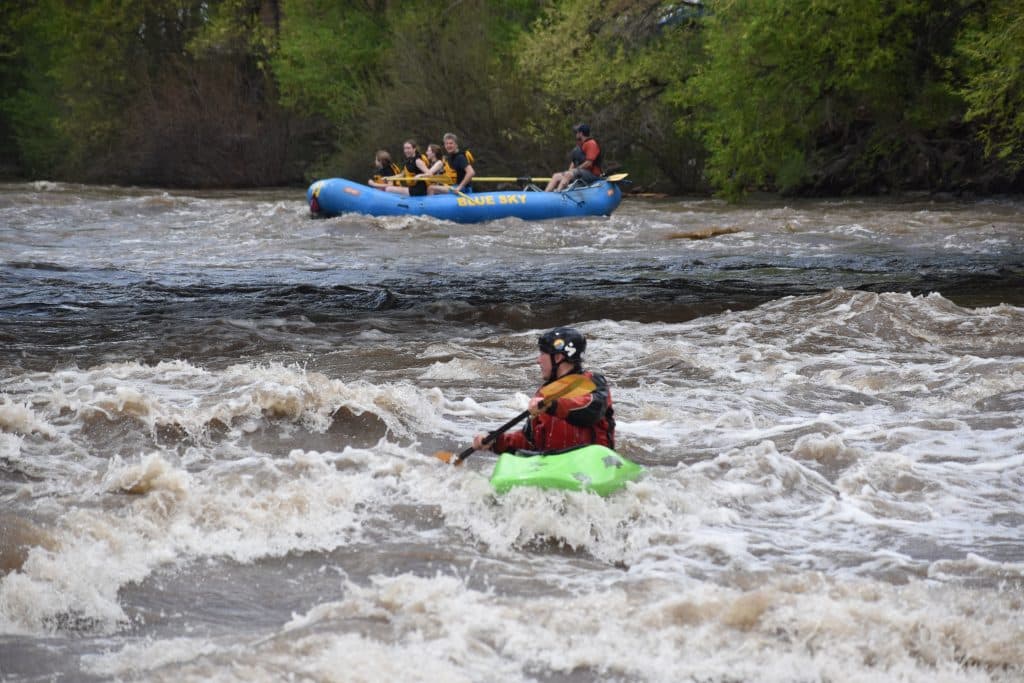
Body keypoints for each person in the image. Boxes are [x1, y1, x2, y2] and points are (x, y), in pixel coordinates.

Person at [472, 327, 615, 455]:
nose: (538, 360)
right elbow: (529, 441)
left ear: (558, 357)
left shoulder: (592, 383)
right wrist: (495, 441)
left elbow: (592, 410)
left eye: (542, 354)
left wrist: (553, 405)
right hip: (554, 466)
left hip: (593, 462)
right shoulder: (543, 394)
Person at [546, 123, 603, 192]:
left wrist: (574, 171)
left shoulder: (591, 143)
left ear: (581, 133)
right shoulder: (580, 145)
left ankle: (558, 193)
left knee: (569, 174)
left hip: (592, 175)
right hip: (580, 173)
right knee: (556, 176)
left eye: (577, 132)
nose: (576, 134)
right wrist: (569, 171)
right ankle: (545, 196)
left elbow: (589, 163)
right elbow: (573, 162)